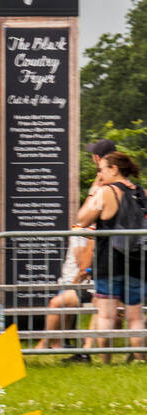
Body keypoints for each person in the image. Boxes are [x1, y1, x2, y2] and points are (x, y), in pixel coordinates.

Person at [75, 151, 146, 363]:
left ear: (114, 169)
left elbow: (83, 219)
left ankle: (105, 361)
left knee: (105, 315)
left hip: (109, 262)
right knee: (135, 317)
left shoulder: (106, 192)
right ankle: (140, 358)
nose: (100, 174)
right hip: (137, 263)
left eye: (102, 170)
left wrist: (94, 190)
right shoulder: (142, 193)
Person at [34, 228, 96, 361]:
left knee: (56, 303)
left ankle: (44, 343)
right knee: (63, 306)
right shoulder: (87, 232)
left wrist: (73, 285)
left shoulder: (89, 233)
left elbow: (83, 265)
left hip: (91, 286)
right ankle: (59, 344)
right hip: (87, 284)